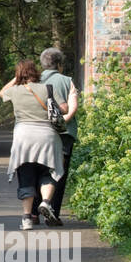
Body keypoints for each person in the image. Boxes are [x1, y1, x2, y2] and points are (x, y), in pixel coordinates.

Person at [0, 59, 70, 229]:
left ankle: (26, 218)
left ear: (19, 74)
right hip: (47, 136)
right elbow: (65, 109)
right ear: (36, 72)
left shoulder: (15, 90)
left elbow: (2, 93)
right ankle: (45, 202)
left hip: (23, 137)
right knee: (48, 171)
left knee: (26, 175)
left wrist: (16, 79)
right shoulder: (47, 88)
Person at [30, 47, 79, 227]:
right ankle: (53, 213)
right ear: (59, 65)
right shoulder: (67, 81)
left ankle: (34, 212)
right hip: (63, 135)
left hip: (38, 133)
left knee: (37, 170)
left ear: (42, 64)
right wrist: (63, 121)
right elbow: (72, 108)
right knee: (59, 173)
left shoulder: (33, 81)